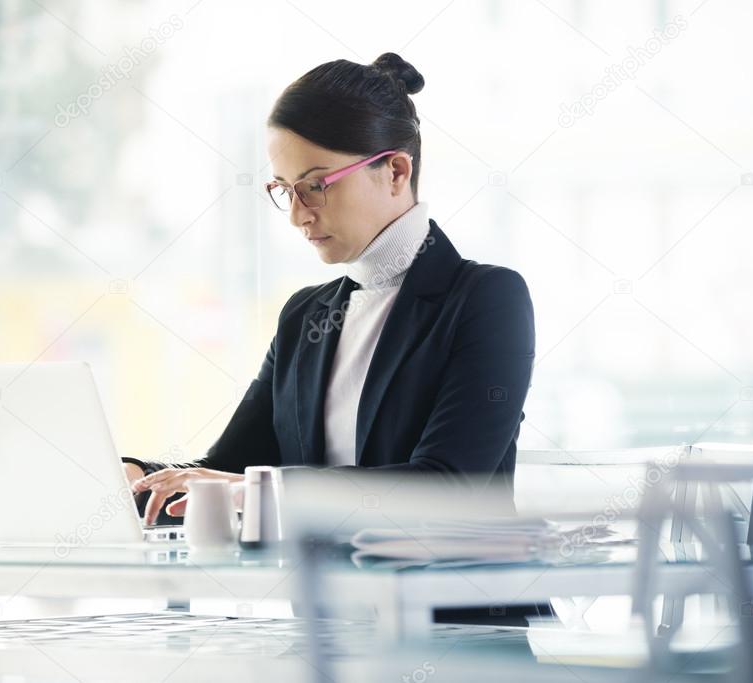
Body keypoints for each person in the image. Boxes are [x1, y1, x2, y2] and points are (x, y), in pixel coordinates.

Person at [122, 52, 535, 531]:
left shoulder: (487, 298)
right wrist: (137, 478)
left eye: (316, 186)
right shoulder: (305, 315)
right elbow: (229, 467)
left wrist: (254, 489)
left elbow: (448, 486)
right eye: (284, 189)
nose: (298, 215)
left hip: (446, 601)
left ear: (396, 171)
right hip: (328, 605)